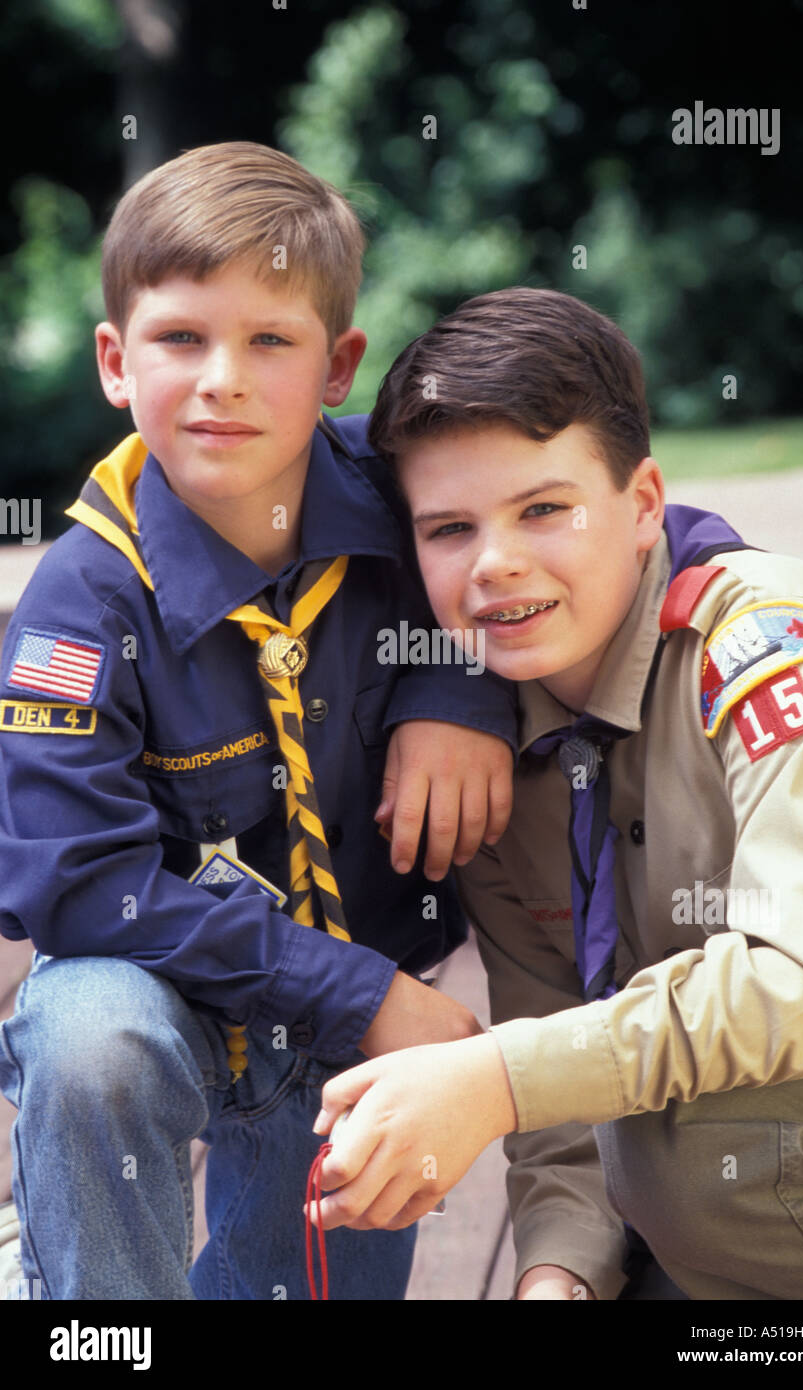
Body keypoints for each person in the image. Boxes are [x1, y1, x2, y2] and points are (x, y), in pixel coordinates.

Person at [0, 143, 518, 1301]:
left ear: (338, 365)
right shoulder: (83, 602)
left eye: (270, 341)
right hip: (168, 991)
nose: (222, 380)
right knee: (88, 1038)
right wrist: (362, 996)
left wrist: (456, 688)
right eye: (181, 337)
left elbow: (608, 530)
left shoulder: (403, 489)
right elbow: (75, 884)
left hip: (349, 1013)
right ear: (116, 363)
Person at [310, 287, 803, 1301]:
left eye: (543, 510)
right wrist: (556, 1272)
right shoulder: (491, 761)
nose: (496, 563)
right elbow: (559, 1089)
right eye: (449, 528)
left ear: (644, 503)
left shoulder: (766, 645)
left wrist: (494, 1078)